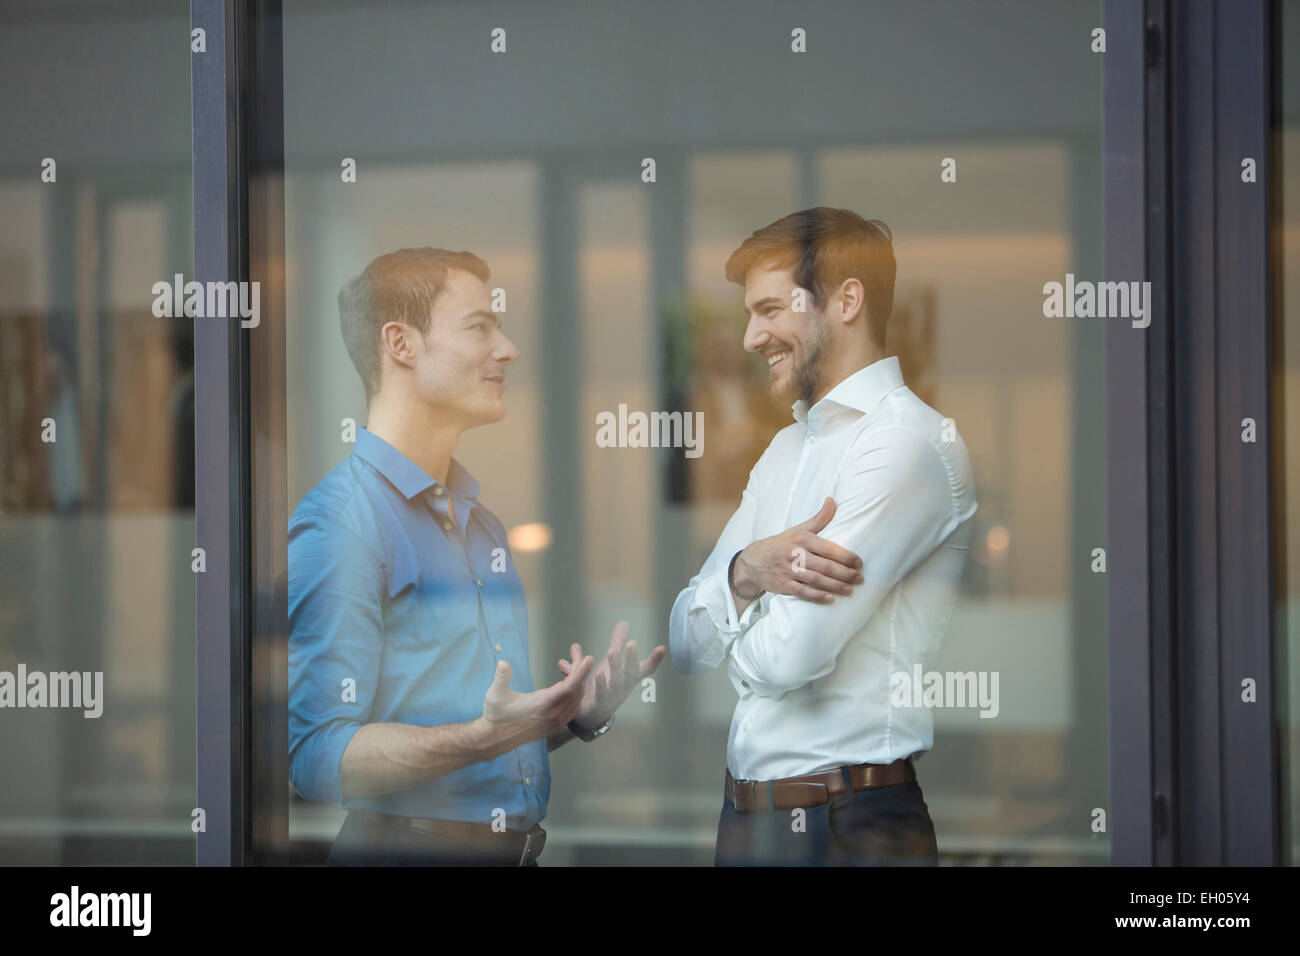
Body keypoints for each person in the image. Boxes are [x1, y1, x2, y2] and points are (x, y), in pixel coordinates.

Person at [289, 247, 665, 866]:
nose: (508, 349)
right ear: (400, 344)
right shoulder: (342, 522)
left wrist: (568, 716)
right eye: (479, 327)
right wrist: (484, 735)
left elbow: (487, 740)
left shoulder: (482, 525)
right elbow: (317, 758)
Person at [669, 208, 977, 866]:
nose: (752, 337)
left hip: (851, 826)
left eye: (771, 309)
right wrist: (748, 572)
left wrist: (734, 626)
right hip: (750, 822)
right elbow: (685, 642)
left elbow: (792, 658)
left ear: (847, 299)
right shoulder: (785, 448)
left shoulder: (902, 443)